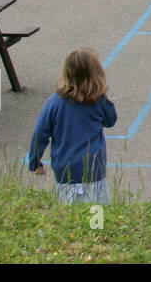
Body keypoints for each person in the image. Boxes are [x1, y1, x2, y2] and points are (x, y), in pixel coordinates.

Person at [27, 48, 117, 204]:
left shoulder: (54, 103)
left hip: (66, 171)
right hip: (93, 169)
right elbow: (111, 120)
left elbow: (39, 134)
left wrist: (34, 162)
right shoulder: (98, 101)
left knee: (70, 215)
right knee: (97, 214)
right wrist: (103, 96)